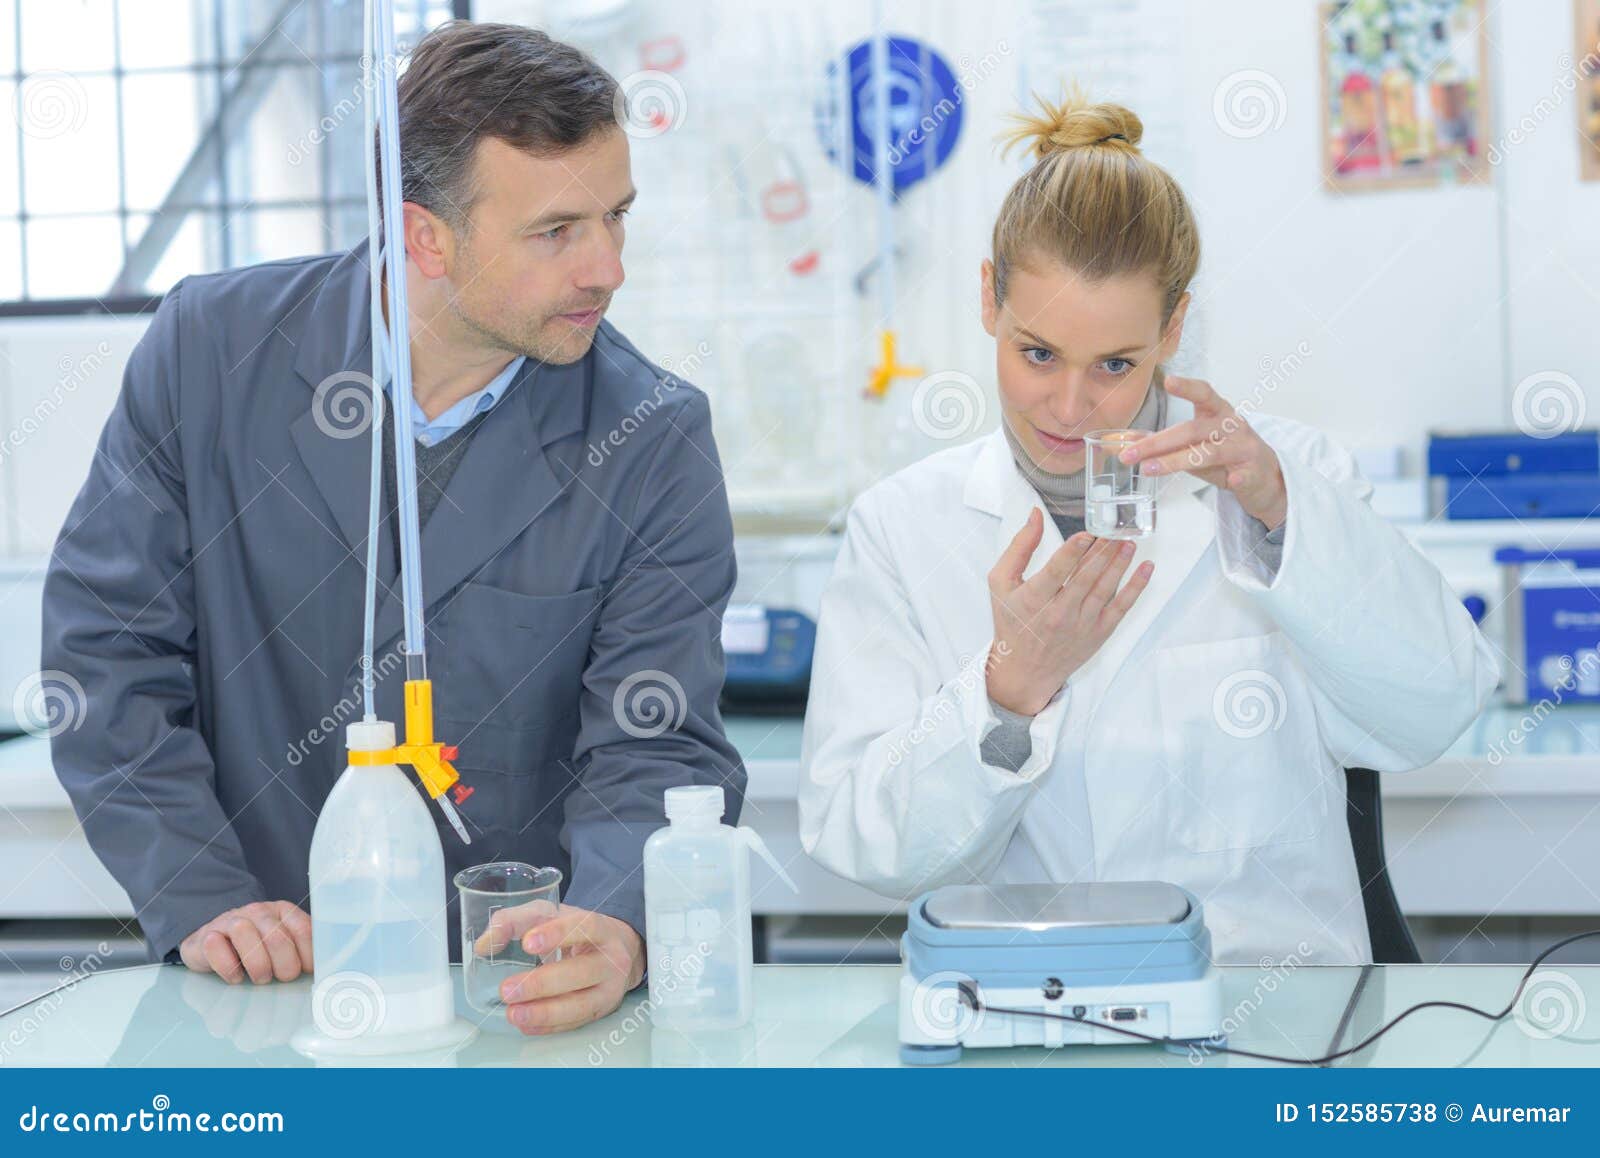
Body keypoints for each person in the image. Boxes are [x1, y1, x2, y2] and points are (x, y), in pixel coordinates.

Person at [42, 22, 745, 1034]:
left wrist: (614, 925)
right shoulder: (209, 353)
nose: (606, 270)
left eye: (616, 219)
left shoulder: (649, 437)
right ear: (423, 236)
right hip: (265, 989)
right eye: (556, 232)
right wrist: (199, 892)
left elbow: (658, 742)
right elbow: (104, 653)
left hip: (512, 1003)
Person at [797, 94, 1499, 964]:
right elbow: (865, 844)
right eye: (1038, 353)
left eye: (1117, 365)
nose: (1068, 406)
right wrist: (1010, 690)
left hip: (1266, 1022)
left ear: (1173, 329)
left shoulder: (1287, 478)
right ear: (989, 298)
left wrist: (1283, 518)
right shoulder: (903, 526)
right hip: (1021, 1013)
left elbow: (1435, 712)